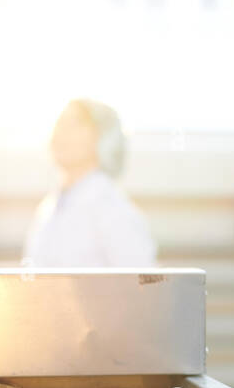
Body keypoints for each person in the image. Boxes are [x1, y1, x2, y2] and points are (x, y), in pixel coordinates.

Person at [22, 99, 157, 267]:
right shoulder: (49, 208)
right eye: (60, 122)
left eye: (75, 123)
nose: (60, 131)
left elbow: (142, 286)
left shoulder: (114, 210)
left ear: (103, 137)